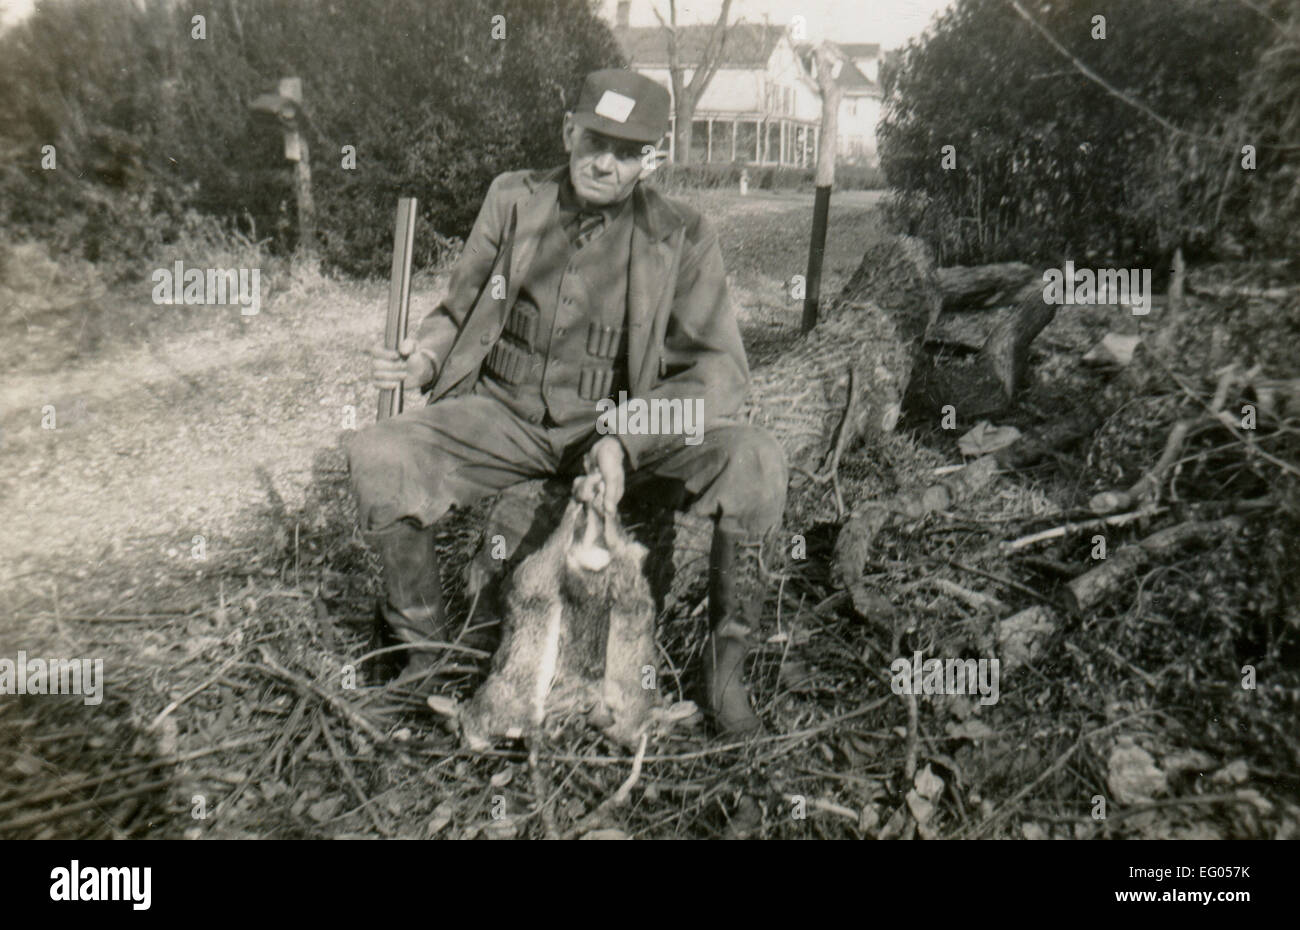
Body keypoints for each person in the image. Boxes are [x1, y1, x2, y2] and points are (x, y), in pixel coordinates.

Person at [347, 69, 788, 734]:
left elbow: (721, 373)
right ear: (567, 131)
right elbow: (459, 305)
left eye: (626, 150)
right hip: (505, 415)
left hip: (622, 432)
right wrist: (425, 357)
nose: (604, 162)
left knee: (754, 460)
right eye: (592, 141)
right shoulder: (513, 199)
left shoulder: (683, 235)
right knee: (381, 454)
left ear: (650, 160)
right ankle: (423, 661)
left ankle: (725, 675)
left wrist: (627, 439)